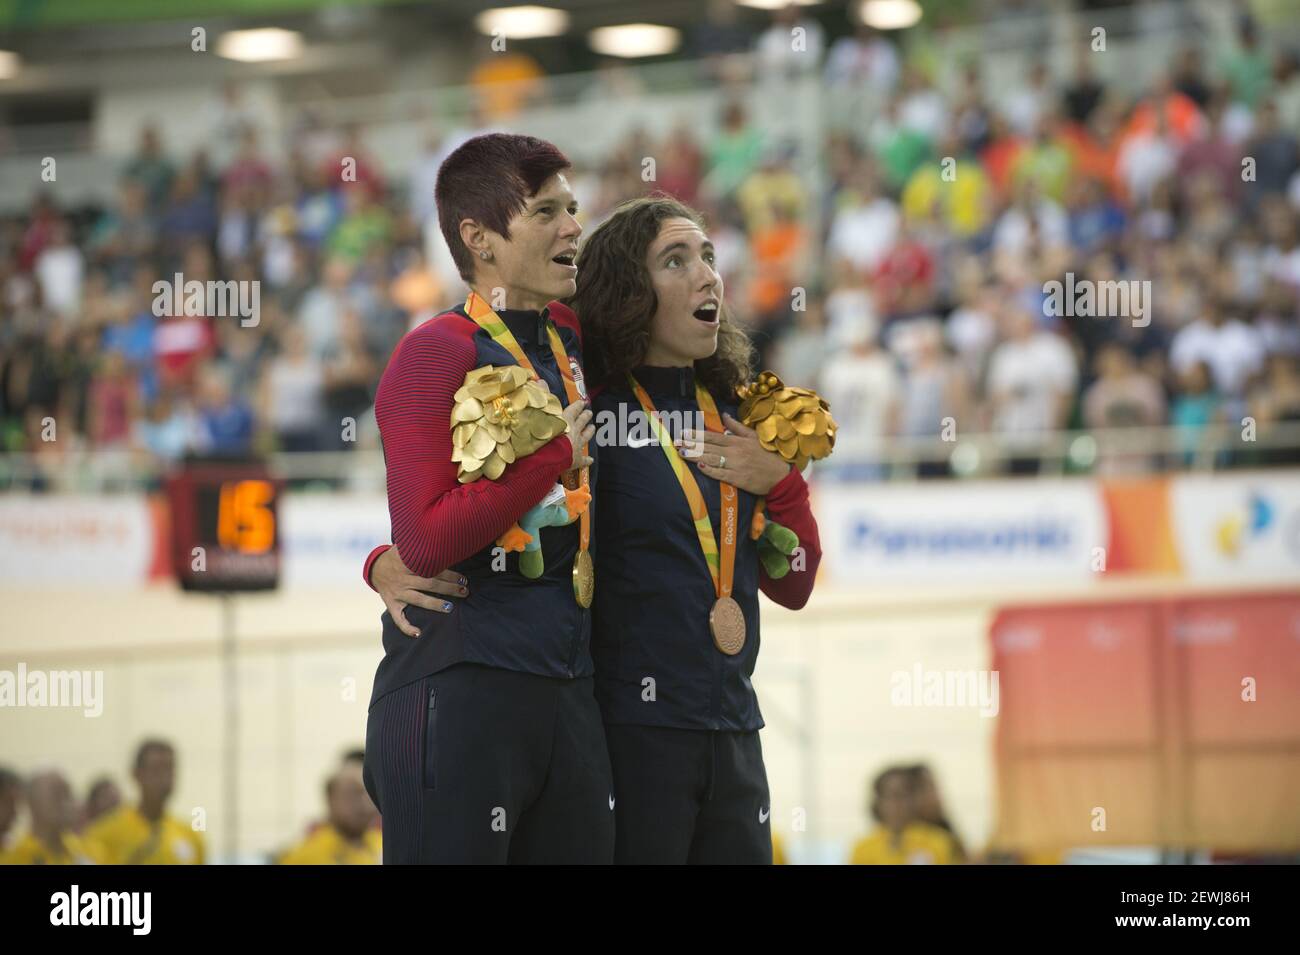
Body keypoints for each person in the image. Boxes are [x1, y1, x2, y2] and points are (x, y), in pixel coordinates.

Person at [372, 195, 824, 863]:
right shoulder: (582, 412)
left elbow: (796, 584)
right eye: (676, 261)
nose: (707, 275)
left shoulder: (740, 414)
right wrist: (382, 558)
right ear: (628, 291)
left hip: (735, 731)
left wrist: (781, 482)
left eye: (707, 255)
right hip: (626, 737)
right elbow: (467, 512)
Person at [360, 133, 611, 864]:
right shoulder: (434, 348)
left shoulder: (570, 335)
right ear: (479, 238)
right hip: (457, 684)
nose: (572, 227)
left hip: (568, 682)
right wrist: (553, 458)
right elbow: (424, 542)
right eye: (546, 212)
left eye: (572, 208)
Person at [84, 738, 205, 864]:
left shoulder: (190, 836)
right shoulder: (105, 834)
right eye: (156, 770)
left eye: (169, 769)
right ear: (136, 774)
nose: (164, 777)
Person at [848, 766, 957, 865]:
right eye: (889, 796)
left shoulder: (939, 842)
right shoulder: (863, 848)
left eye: (903, 795)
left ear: (914, 799)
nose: (897, 804)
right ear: (878, 802)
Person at [279, 763, 381, 864]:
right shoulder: (304, 856)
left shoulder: (382, 845)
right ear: (331, 799)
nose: (364, 803)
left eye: (367, 794)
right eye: (353, 794)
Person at [2, 770, 100, 865]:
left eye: (68, 794)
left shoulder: (88, 850)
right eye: (57, 794)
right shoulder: (14, 857)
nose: (67, 803)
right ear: (34, 803)